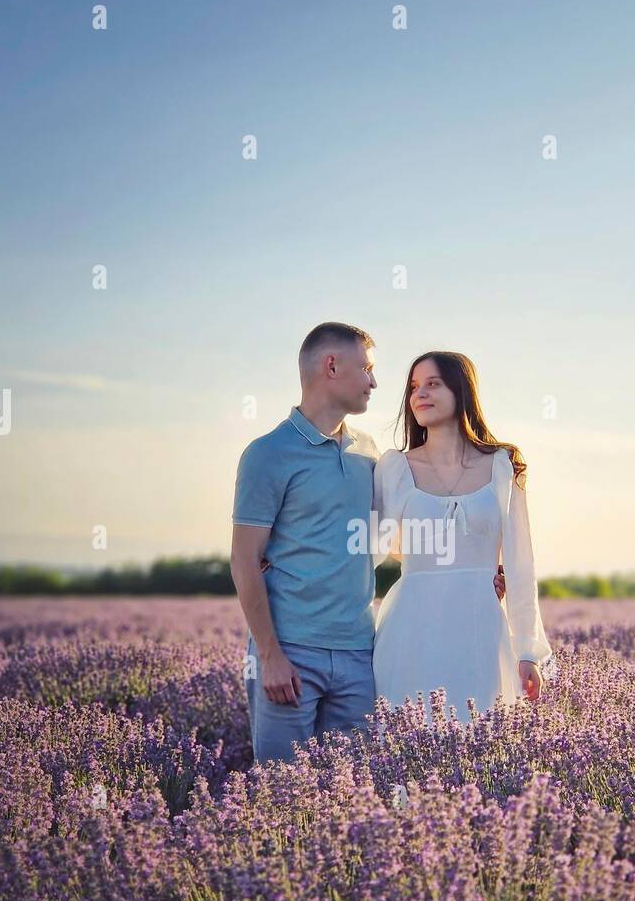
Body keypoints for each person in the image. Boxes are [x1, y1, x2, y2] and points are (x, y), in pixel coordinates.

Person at [230, 322, 508, 765]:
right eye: (368, 368)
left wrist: (471, 568)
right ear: (332, 366)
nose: (376, 381)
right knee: (282, 792)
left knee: (355, 790)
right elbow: (244, 559)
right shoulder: (268, 454)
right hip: (291, 652)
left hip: (361, 653)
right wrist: (270, 655)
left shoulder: (370, 453)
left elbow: (393, 540)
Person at [372, 351, 551, 723]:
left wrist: (527, 650)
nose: (420, 394)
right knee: (406, 743)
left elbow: (520, 565)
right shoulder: (394, 467)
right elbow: (372, 549)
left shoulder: (503, 466)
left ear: (462, 390)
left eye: (433, 383)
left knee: (481, 743)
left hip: (479, 627)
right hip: (410, 627)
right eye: (414, 387)